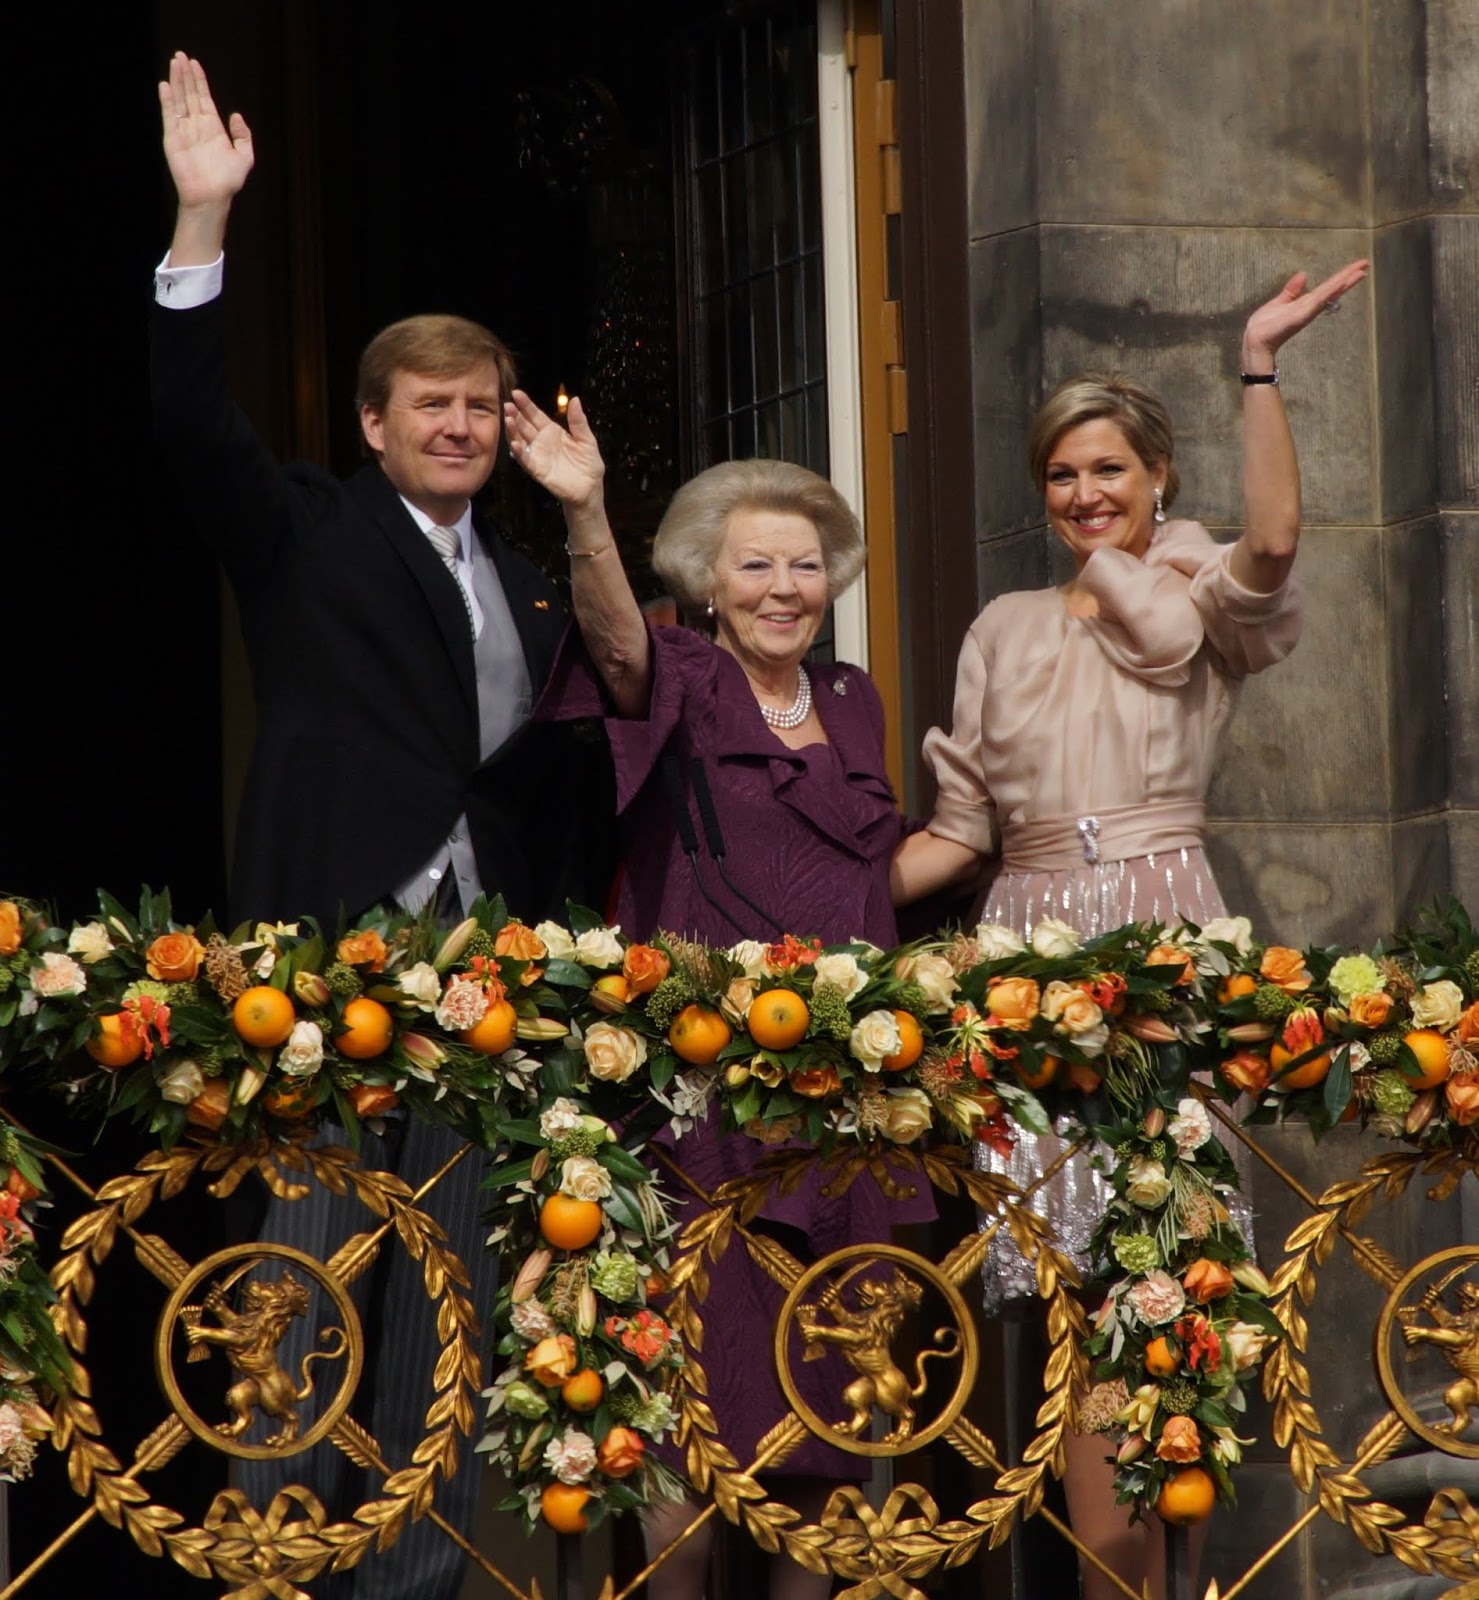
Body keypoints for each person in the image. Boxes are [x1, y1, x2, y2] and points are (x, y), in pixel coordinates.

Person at [152, 53, 612, 1600]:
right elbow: (186, 419)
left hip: (484, 973)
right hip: (324, 951)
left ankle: (410, 1579)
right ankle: (281, 1557)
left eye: (482, 407)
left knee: (451, 1282)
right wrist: (199, 221)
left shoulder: (533, 576)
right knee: (303, 1268)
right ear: (370, 421)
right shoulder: (301, 532)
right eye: (433, 406)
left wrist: (593, 513)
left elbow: (594, 711)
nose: (463, 428)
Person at [916, 259, 1369, 1600]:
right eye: (1060, 476)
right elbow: (956, 831)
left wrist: (1255, 364)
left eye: (1106, 470)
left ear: (1155, 475)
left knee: (1156, 1279)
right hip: (1021, 950)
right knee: (1052, 1298)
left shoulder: (1190, 589)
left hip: (1161, 936)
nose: (1082, 496)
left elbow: (1275, 546)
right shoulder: (998, 627)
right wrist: (790, 911)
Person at [507, 389, 951, 1599]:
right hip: (700, 1102)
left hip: (839, 1099)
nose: (783, 586)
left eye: (805, 564)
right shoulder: (684, 672)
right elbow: (610, 644)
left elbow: (870, 868)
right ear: (709, 577)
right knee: (688, 1397)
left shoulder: (853, 698)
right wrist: (586, 510)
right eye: (755, 563)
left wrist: (982, 819)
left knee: (828, 1394)